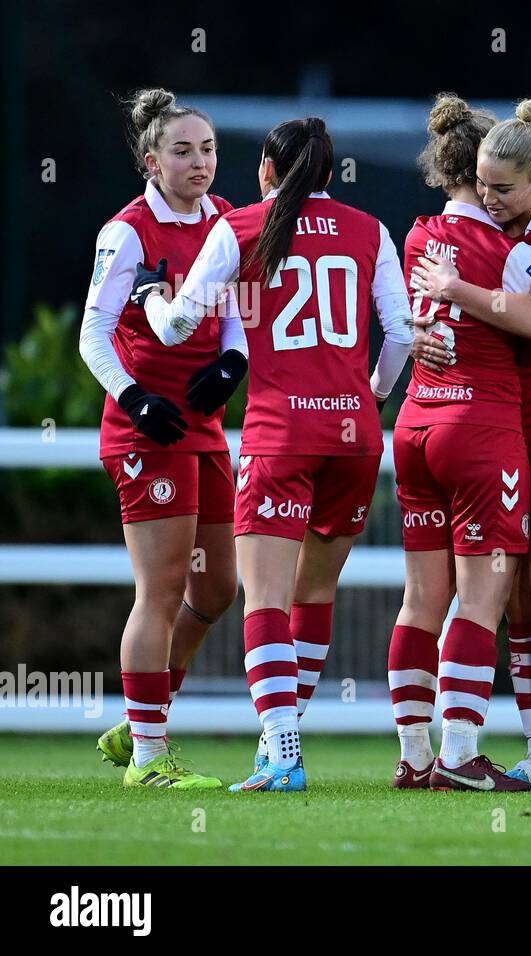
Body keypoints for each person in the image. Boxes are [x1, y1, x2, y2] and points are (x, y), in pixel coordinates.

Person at [132, 117, 414, 792]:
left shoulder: (241, 228)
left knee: (264, 598)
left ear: (265, 168)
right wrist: (372, 393)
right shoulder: (371, 229)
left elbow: (176, 327)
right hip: (352, 436)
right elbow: (402, 331)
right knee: (314, 592)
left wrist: (148, 295)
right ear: (328, 172)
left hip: (281, 433)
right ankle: (276, 744)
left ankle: (283, 753)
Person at [388, 94, 531, 791]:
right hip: (502, 420)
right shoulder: (495, 234)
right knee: (509, 594)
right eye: (481, 183)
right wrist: (431, 329)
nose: (490, 196)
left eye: (504, 188)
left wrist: (454, 289)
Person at [82, 88, 244, 789]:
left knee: (216, 591)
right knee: (163, 587)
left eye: (206, 149)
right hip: (147, 432)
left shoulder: (228, 220)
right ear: (152, 161)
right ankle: (148, 759)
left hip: (203, 427)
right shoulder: (127, 232)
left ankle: (139, 721)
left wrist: (233, 361)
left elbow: (237, 307)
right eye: (182, 151)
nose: (198, 162)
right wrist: (136, 399)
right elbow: (94, 335)